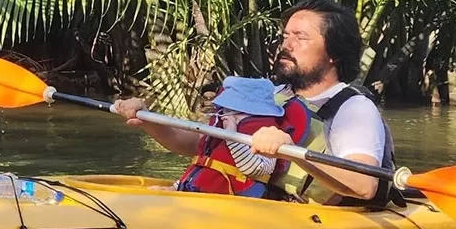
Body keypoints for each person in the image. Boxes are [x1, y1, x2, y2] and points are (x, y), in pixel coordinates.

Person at [250, 0, 395, 206]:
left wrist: (293, 152)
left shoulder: (354, 109)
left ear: (334, 53)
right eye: (286, 36)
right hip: (251, 205)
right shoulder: (270, 96)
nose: (287, 45)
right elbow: (204, 143)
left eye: (300, 37)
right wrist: (183, 134)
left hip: (310, 219)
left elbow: (364, 185)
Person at [111, 74, 311, 197]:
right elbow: (201, 158)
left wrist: (232, 136)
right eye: (225, 108)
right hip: (198, 190)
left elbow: (258, 170)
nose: (225, 114)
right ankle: (181, 187)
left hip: (231, 198)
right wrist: (148, 119)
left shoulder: (265, 130)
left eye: (235, 110)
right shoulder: (223, 120)